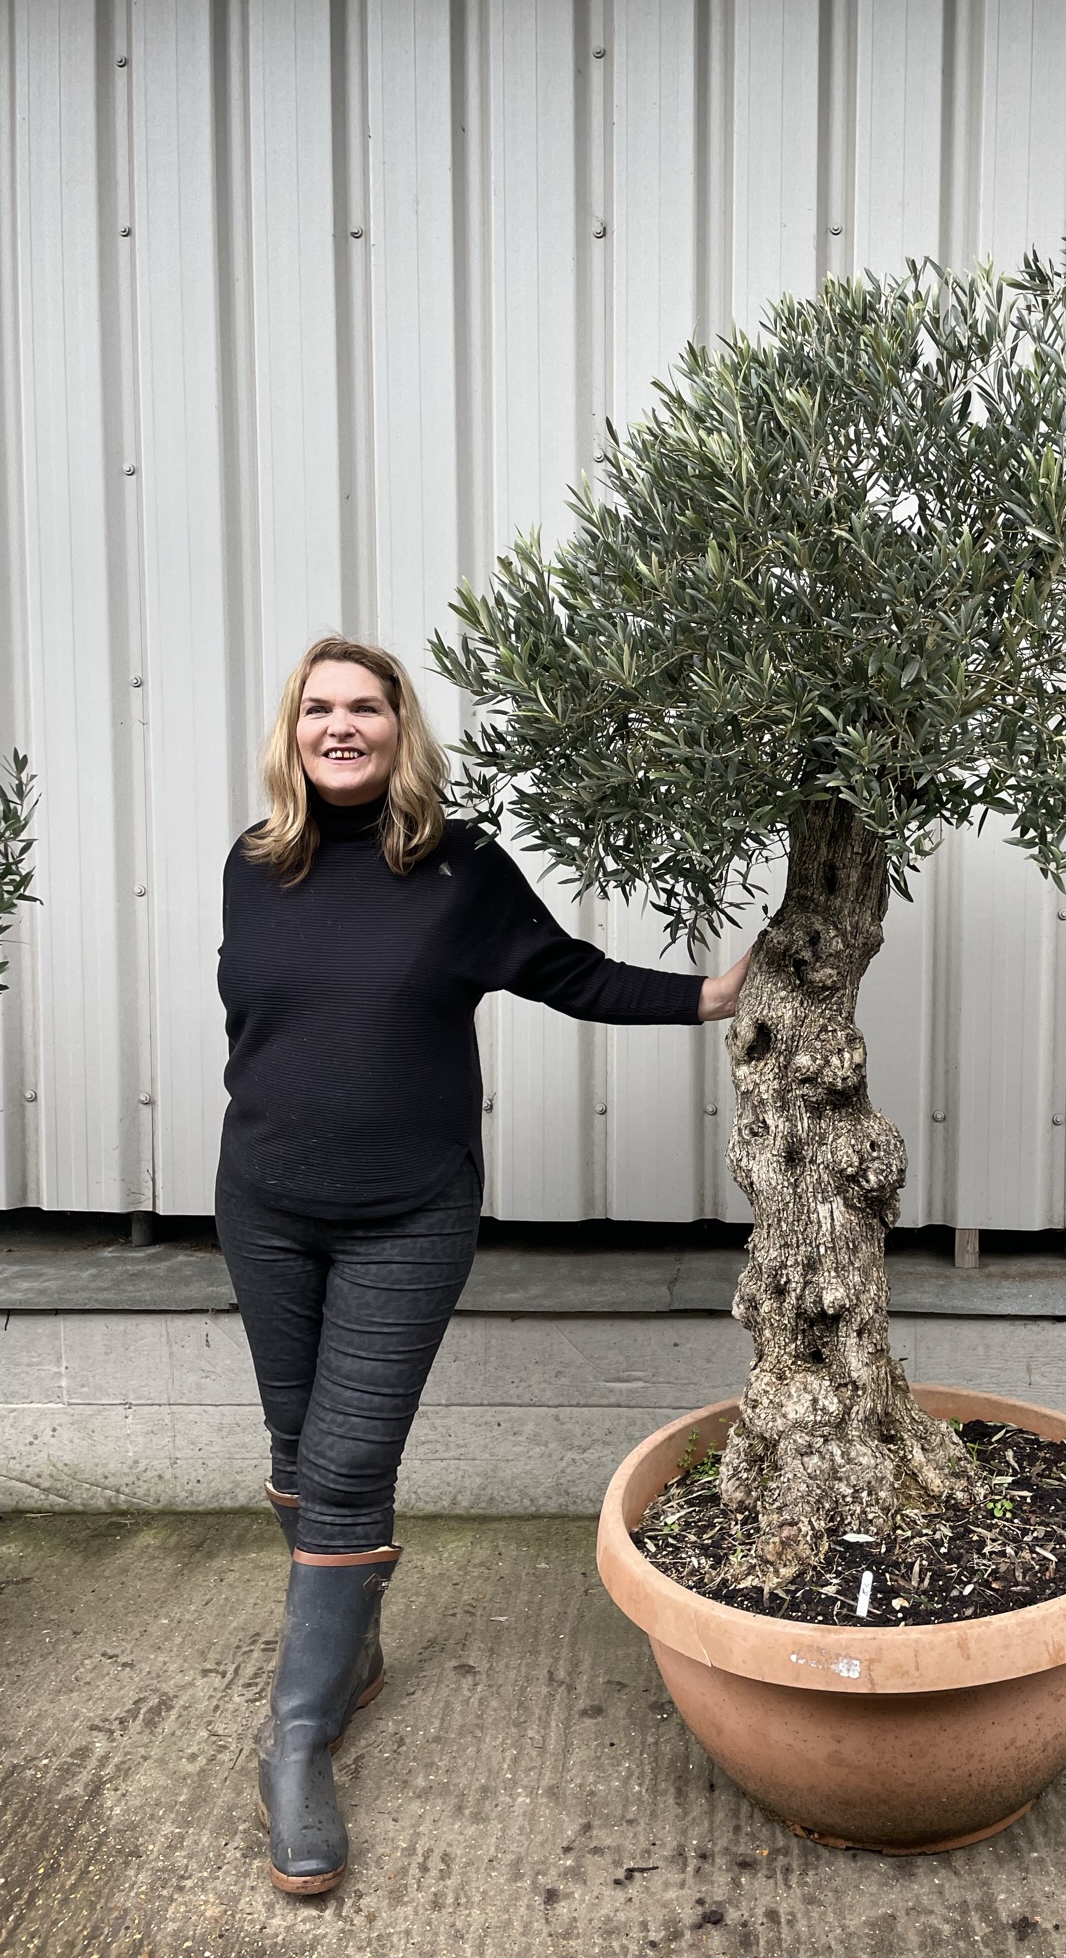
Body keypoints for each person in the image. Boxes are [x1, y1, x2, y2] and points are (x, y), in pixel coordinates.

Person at [216, 636, 748, 1896]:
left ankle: (296, 1737)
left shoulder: (457, 866)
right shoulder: (251, 864)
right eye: (318, 708)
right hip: (263, 1208)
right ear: (293, 731)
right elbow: (266, 1018)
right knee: (295, 1457)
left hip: (409, 1212)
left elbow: (563, 972)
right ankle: (346, 1657)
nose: (340, 727)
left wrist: (709, 995)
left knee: (348, 1466)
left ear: (404, 728)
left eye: (365, 707)